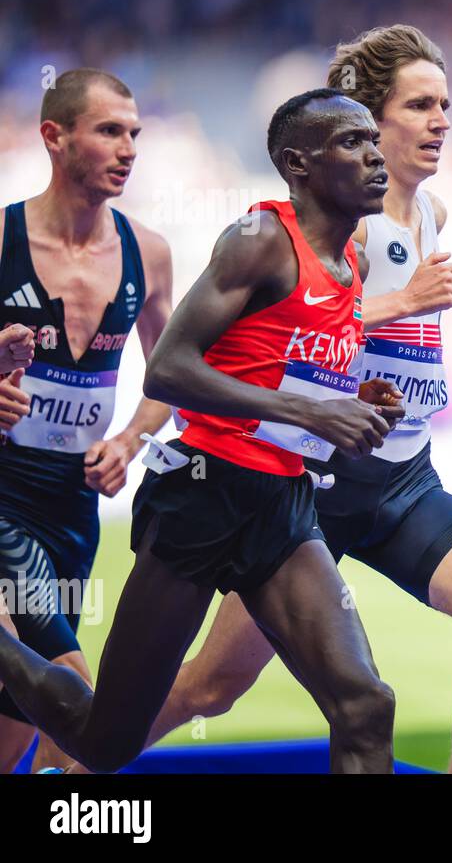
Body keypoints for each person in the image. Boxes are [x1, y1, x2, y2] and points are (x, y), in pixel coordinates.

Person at [144, 26, 452, 773]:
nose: (442, 121)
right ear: (369, 116)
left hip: (401, 477)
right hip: (308, 487)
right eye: (420, 105)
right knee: (214, 686)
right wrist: (404, 302)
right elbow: (271, 335)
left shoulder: (432, 214)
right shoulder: (331, 226)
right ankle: (74, 771)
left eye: (446, 105)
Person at [0, 89, 404, 773]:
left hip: (283, 505)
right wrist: (315, 413)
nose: (375, 156)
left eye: (373, 139)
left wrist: (354, 398)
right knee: (103, 741)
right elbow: (167, 370)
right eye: (351, 143)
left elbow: (277, 367)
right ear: (297, 164)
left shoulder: (351, 266)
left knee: (364, 706)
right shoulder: (259, 240)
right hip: (203, 495)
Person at [0, 69, 173, 772]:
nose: (128, 147)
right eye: (109, 131)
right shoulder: (4, 237)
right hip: (4, 495)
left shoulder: (148, 253)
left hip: (75, 510)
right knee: (89, 712)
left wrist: (130, 440)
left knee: (15, 736)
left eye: (134, 133)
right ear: (55, 137)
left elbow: (172, 379)